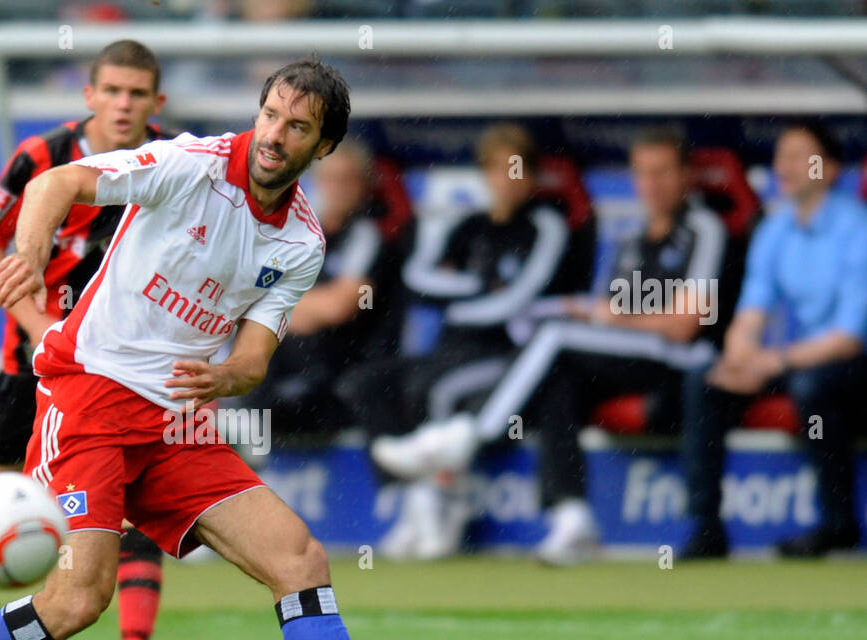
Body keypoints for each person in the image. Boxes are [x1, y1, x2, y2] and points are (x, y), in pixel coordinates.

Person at [0, 59, 484, 640]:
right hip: (86, 395)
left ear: (324, 147)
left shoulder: (301, 243)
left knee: (299, 560)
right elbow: (57, 184)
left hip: (172, 422)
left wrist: (226, 377)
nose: (276, 134)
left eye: (298, 127)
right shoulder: (190, 163)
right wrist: (28, 258)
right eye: (272, 114)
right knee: (77, 600)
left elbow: (253, 357)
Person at [0, 40, 175, 640]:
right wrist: (40, 330)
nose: (123, 104)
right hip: (32, 360)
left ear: (156, 102)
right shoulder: (41, 156)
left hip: (124, 373)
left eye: (136, 93)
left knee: (133, 509)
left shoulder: (172, 162)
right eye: (111, 91)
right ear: (88, 96)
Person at [373, 127, 731, 564]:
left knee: (554, 336)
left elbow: (687, 324)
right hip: (631, 354)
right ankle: (572, 517)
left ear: (686, 176)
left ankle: (465, 437)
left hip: (682, 360)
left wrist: (611, 318)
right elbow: (610, 311)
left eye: (662, 173)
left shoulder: (703, 227)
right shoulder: (633, 241)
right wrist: (594, 312)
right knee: (555, 377)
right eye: (642, 173)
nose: (651, 185)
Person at [341, 123, 573, 559]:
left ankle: (443, 514)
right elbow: (417, 280)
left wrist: (459, 293)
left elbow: (520, 298)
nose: (506, 179)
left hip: (502, 351)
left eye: (516, 169)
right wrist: (480, 286)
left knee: (437, 389)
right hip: (450, 348)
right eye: (497, 169)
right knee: (367, 384)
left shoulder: (545, 225)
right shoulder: (469, 226)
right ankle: (413, 500)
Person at [681, 121, 867, 559]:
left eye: (800, 155)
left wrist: (774, 362)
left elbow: (849, 337)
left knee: (812, 387)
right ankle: (706, 528)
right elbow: (750, 312)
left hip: (850, 362)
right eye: (781, 155)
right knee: (706, 379)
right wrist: (742, 356)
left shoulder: (857, 228)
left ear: (831, 168)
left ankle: (838, 523)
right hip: (798, 359)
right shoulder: (774, 228)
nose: (785, 166)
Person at [243, 138, 411, 437]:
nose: (337, 187)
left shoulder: (368, 234)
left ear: (364, 185)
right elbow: (252, 296)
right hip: (291, 363)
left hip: (345, 366)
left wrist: (276, 308)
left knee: (284, 402)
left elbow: (339, 307)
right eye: (329, 178)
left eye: (347, 179)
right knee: (245, 388)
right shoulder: (299, 232)